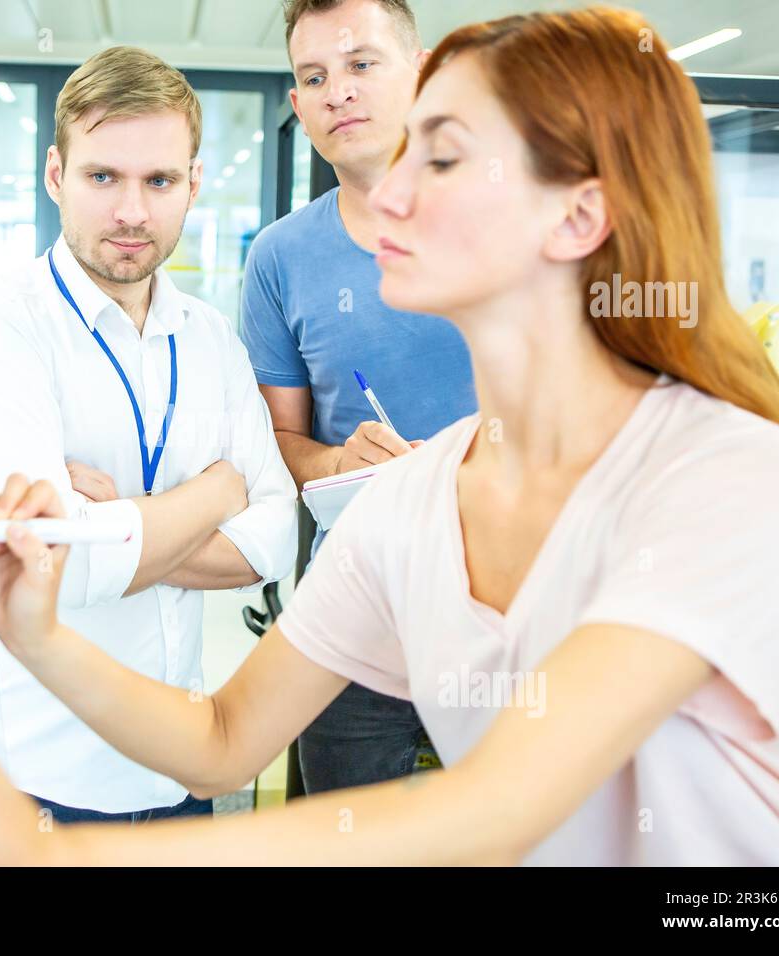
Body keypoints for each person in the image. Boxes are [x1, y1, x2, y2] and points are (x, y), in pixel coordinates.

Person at [0, 8, 779, 864]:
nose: (388, 187)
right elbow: (224, 738)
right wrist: (37, 629)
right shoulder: (408, 497)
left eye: (441, 156)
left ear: (577, 218)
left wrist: (47, 854)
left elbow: (501, 801)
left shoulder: (727, 469)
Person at [0, 46, 297, 822]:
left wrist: (117, 526)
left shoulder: (211, 341)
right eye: (102, 176)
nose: (133, 213)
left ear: (194, 184)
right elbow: (55, 567)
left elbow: (274, 542)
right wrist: (215, 492)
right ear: (55, 175)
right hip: (45, 783)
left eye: (159, 181)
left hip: (181, 769)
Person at [241, 0, 477, 794]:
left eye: (362, 63)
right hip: (352, 622)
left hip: (509, 618)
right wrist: (338, 460)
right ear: (299, 106)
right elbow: (281, 442)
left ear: (423, 70)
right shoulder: (279, 258)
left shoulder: (514, 219)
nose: (338, 91)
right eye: (314, 77)